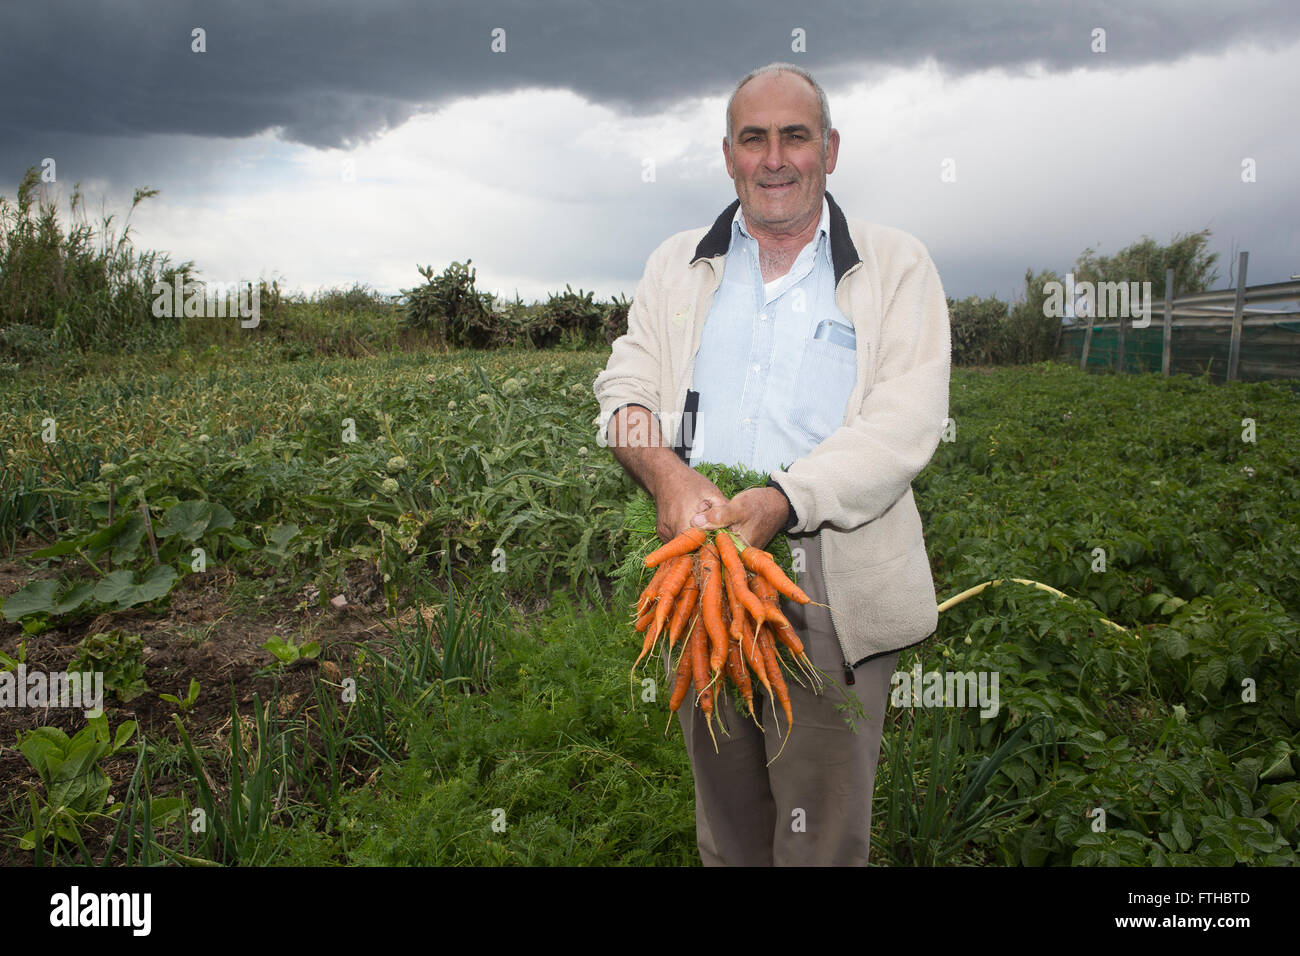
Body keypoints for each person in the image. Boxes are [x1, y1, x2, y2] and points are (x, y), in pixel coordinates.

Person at [593, 62, 951, 866]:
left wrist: (785, 498)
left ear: (830, 148)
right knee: (728, 821)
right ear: (728, 156)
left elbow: (905, 424)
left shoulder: (895, 266)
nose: (776, 157)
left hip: (832, 577)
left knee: (821, 832)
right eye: (754, 139)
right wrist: (669, 476)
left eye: (796, 135)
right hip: (703, 573)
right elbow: (625, 390)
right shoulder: (678, 264)